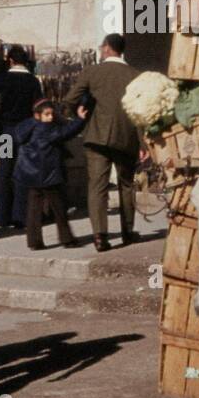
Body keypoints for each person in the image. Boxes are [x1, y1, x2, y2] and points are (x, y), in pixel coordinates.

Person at [66, 33, 142, 252]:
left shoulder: (92, 72)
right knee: (126, 184)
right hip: (126, 138)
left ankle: (100, 236)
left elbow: (70, 99)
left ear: (108, 48)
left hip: (96, 136)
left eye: (101, 48)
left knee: (97, 187)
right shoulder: (135, 75)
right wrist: (143, 144)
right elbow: (140, 112)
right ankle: (128, 232)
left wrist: (77, 111)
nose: (101, 51)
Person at [13, 100, 89, 251]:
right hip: (47, 174)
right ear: (38, 115)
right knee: (59, 208)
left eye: (52, 114)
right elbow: (65, 132)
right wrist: (80, 119)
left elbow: (11, 141)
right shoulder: (45, 129)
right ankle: (67, 239)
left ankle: (34, 241)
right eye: (47, 114)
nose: (51, 118)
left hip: (30, 173)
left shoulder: (24, 126)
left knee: (34, 209)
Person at [0, 46, 42, 230]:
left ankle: (2, 217)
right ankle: (21, 216)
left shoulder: (2, 80)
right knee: (23, 171)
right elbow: (38, 106)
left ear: (10, 60)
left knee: (5, 171)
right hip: (26, 132)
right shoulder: (33, 81)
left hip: (6, 132)